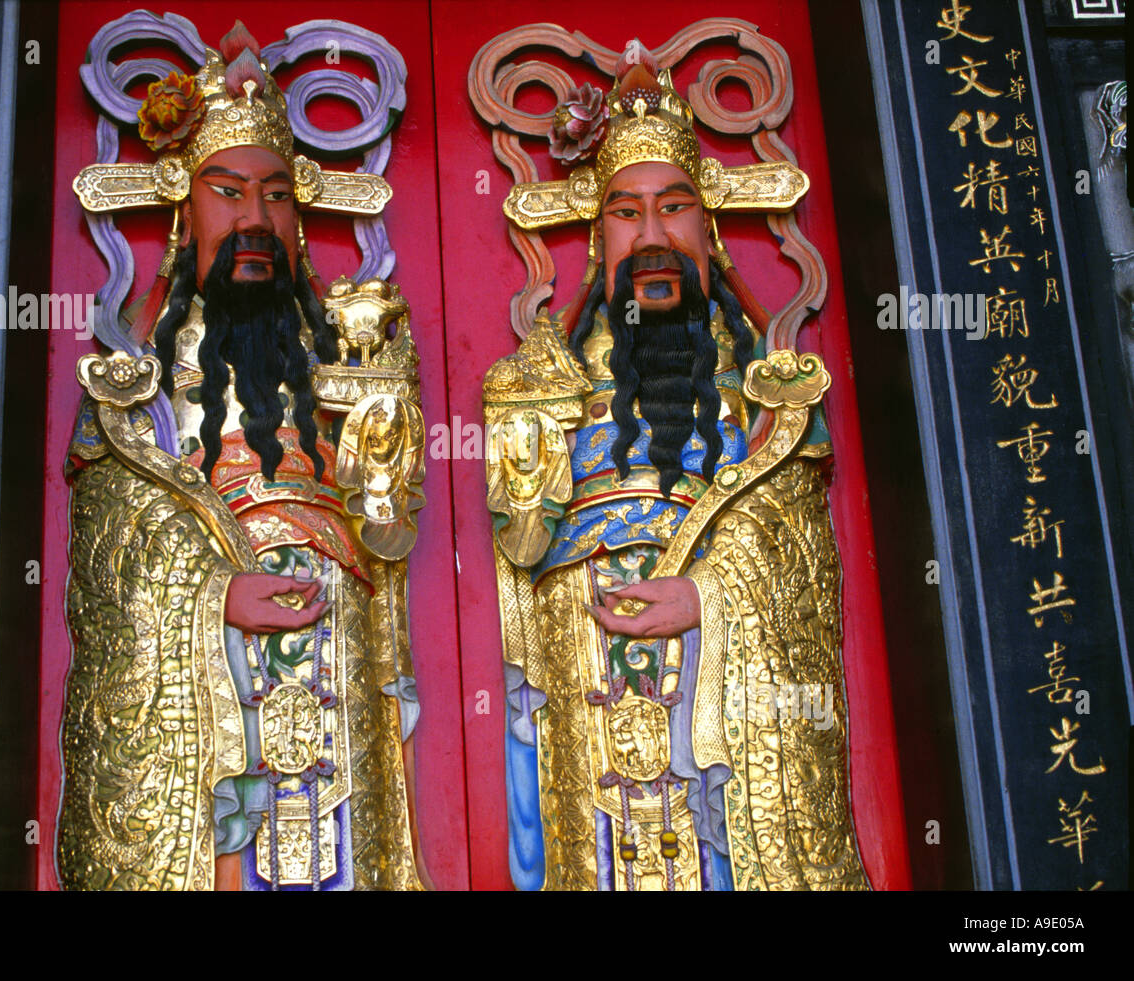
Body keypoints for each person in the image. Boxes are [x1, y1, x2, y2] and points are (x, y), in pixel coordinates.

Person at [484, 43, 869, 890]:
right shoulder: (543, 388)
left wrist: (706, 598)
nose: (652, 236)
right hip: (585, 690)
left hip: (713, 712)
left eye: (674, 208)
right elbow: (519, 547)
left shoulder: (771, 406)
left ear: (710, 227)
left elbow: (800, 572)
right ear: (596, 235)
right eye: (626, 213)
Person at [58, 22, 427, 890]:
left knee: (337, 848)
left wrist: (379, 480)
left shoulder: (339, 344)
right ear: (187, 207)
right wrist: (216, 595)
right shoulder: (144, 363)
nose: (255, 218)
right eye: (229, 192)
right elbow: (116, 531)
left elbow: (388, 511)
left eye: (275, 196)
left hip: (335, 638)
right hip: (212, 661)